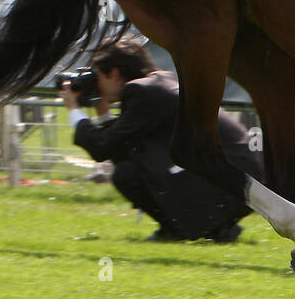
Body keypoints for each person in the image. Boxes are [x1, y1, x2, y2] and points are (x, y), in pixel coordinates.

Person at [64, 37, 262, 242]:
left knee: (126, 174)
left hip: (229, 178)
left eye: (97, 77)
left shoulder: (142, 92)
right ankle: (208, 228)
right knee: (131, 166)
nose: (96, 85)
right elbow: (118, 148)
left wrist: (74, 111)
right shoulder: (156, 85)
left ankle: (202, 229)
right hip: (240, 175)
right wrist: (103, 114)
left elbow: (101, 147)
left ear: (114, 73)